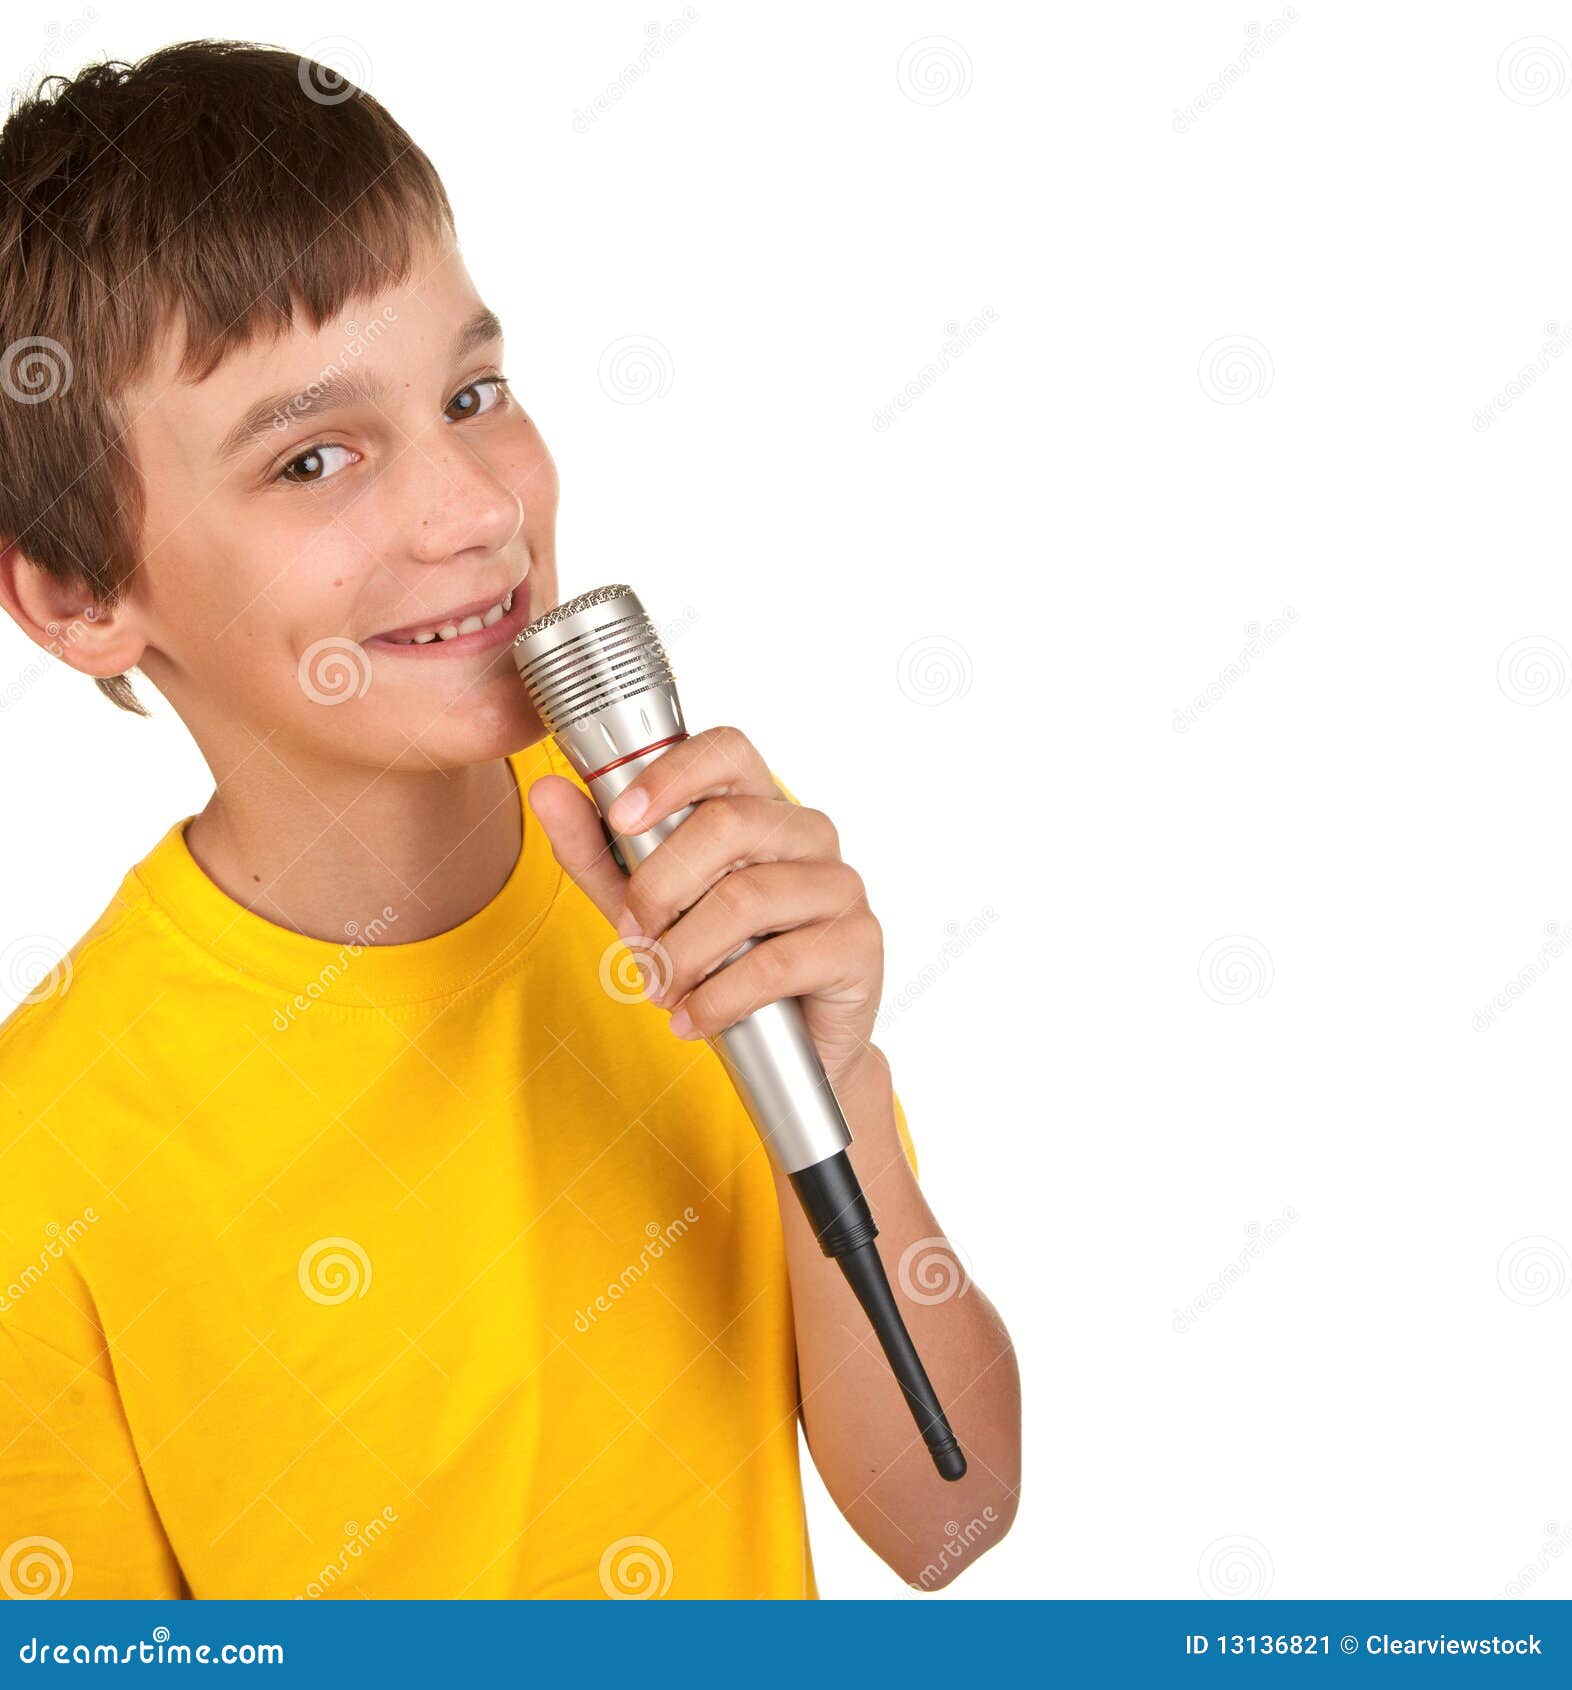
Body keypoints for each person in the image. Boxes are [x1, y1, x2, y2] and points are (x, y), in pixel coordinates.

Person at [0, 40, 1019, 1599]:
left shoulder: (696, 877)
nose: (479, 508)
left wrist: (841, 1085)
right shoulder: (43, 1156)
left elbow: (947, 1516)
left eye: (473, 393)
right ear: (81, 595)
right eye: (315, 457)